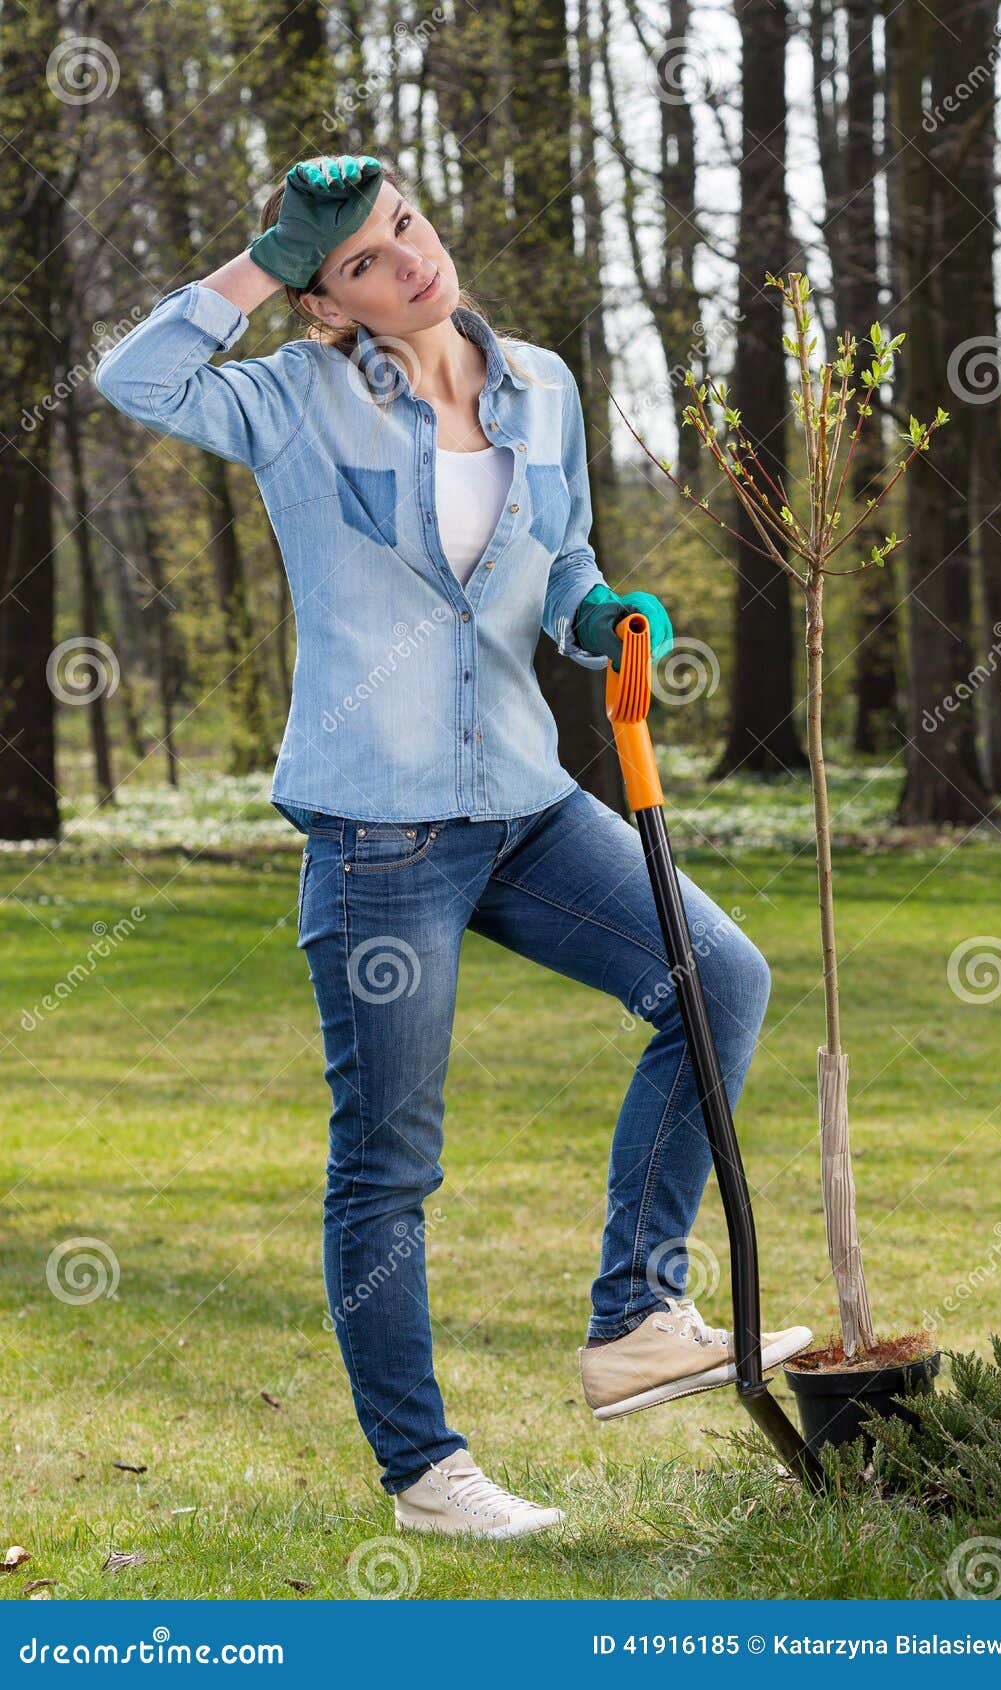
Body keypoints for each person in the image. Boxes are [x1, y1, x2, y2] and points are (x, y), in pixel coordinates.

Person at [94, 153, 810, 1543]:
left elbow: (564, 560)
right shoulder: (293, 400)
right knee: (390, 1160)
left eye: (405, 226)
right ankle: (427, 1473)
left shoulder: (539, 382)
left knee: (720, 979)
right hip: (381, 830)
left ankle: (637, 1317)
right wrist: (264, 257)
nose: (408, 260)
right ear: (326, 302)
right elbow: (138, 378)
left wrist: (600, 617)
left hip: (525, 804)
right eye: (361, 260)